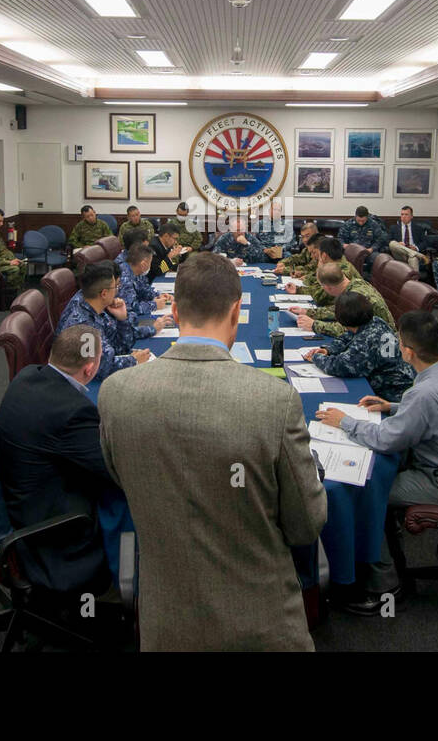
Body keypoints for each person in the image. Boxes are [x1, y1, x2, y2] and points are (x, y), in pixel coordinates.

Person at [99, 251, 327, 650]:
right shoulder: (275, 401)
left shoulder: (115, 394)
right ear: (237, 311)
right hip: (260, 626)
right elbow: (305, 526)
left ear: (176, 304)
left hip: (164, 623)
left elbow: (123, 479)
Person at [315, 311, 438, 613]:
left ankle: (375, 579)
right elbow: (426, 409)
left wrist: (345, 423)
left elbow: (386, 440)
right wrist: (393, 406)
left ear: (407, 350)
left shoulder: (424, 395)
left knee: (367, 489)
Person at [0, 325, 122, 594]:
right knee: (126, 497)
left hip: (17, 499)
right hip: (54, 533)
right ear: (90, 369)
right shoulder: (72, 411)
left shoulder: (27, 375)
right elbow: (115, 470)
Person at [55, 261, 160, 382]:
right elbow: (99, 368)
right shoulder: (81, 324)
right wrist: (134, 360)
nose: (117, 291)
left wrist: (122, 319)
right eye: (116, 287)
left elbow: (120, 346)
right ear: (104, 293)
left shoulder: (96, 306)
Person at [307, 292, 415, 402]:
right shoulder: (374, 321)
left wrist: (316, 357)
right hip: (399, 382)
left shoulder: (368, 339)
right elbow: (347, 337)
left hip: (393, 393)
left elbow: (340, 366)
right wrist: (328, 350)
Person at [289, 262, 393, 337]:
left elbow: (347, 329)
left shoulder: (355, 297)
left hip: (384, 344)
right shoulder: (354, 283)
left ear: (327, 287)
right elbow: (335, 310)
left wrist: (314, 325)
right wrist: (307, 312)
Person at [114, 240, 172, 317]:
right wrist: (154, 305)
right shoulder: (124, 277)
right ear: (143, 264)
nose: (150, 266)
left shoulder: (136, 271)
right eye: (150, 262)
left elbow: (143, 289)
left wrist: (158, 296)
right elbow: (129, 308)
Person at [301, 237, 362, 306]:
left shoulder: (341, 271)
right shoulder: (339, 265)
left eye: (317, 253)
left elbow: (319, 297)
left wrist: (320, 268)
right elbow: (314, 282)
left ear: (324, 256)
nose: (313, 257)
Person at [338, 206, 390, 275]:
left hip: (369, 251)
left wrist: (372, 248)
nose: (361, 223)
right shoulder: (348, 224)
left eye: (363, 221)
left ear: (367, 217)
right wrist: (344, 245)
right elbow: (340, 238)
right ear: (355, 216)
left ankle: (373, 280)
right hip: (352, 252)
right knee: (341, 260)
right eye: (359, 220)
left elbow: (380, 239)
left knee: (377, 260)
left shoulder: (373, 224)